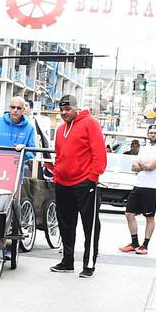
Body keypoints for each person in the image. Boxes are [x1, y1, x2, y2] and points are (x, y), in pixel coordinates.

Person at [51, 94, 107, 278]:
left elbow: (99, 152)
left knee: (89, 225)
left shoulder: (90, 123)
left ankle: (89, 264)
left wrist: (93, 177)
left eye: (68, 109)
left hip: (85, 182)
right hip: (63, 183)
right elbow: (59, 155)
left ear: (76, 108)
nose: (64, 113)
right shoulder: (60, 130)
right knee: (66, 224)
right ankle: (67, 261)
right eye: (62, 110)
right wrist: (56, 176)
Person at [118, 123, 156, 255]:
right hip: (138, 185)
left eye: (155, 133)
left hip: (152, 187)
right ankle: (134, 243)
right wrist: (145, 164)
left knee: (149, 217)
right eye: (150, 133)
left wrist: (143, 164)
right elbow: (133, 167)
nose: (153, 135)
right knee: (129, 213)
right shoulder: (144, 148)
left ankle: (145, 245)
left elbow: (151, 167)